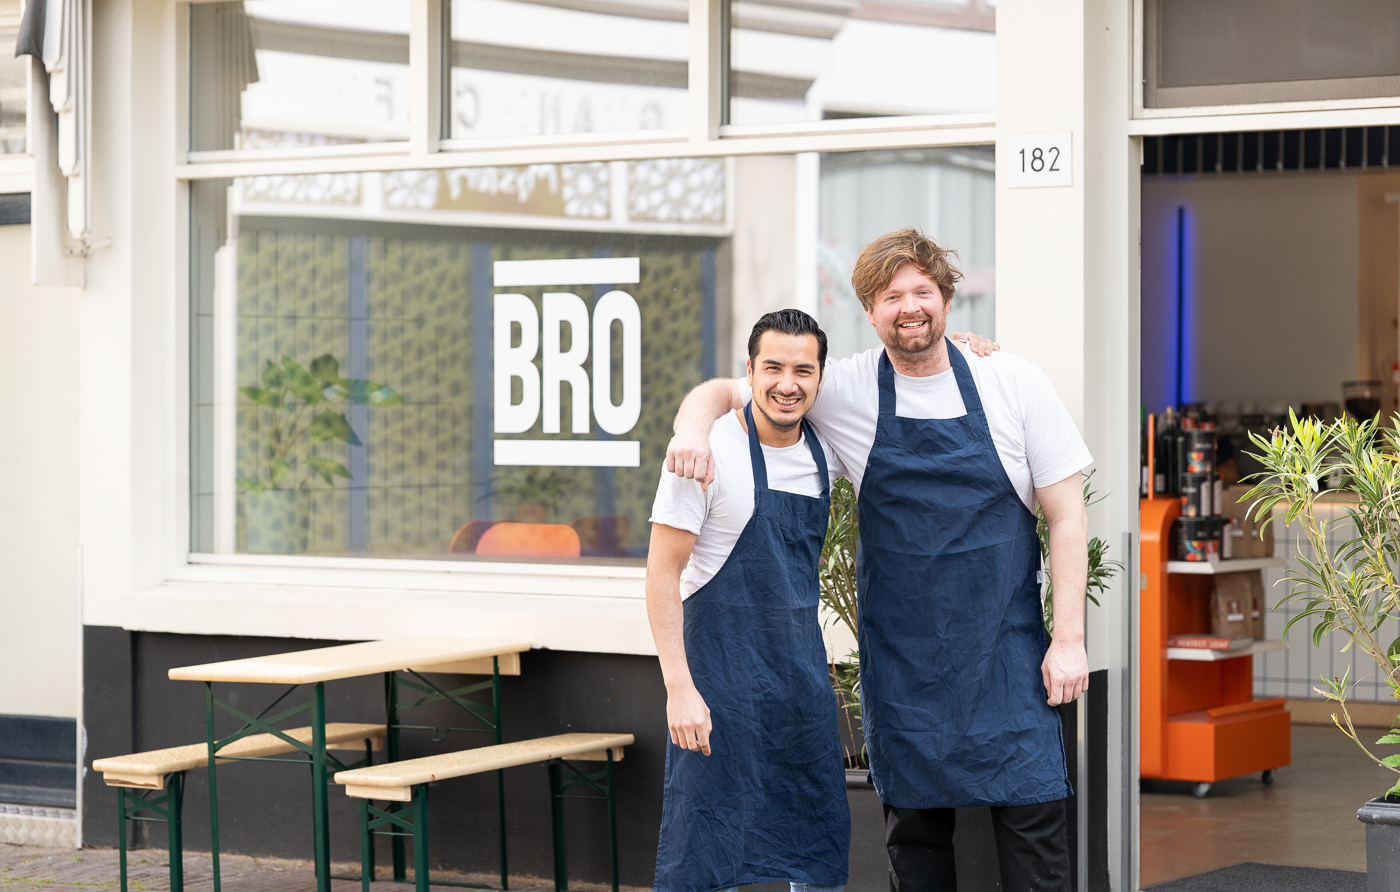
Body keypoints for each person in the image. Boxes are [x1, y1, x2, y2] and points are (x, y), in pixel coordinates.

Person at [665, 229, 1091, 892]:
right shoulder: (846, 388)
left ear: (948, 301)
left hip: (1009, 662)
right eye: (892, 296)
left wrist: (1069, 641)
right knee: (915, 854)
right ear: (870, 311)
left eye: (923, 291)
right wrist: (691, 432)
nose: (909, 306)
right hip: (906, 674)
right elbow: (733, 388)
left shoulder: (1012, 382)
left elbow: (1067, 516)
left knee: (1038, 850)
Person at [647, 309, 851, 892]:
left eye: (803, 370)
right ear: (750, 372)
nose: (788, 384)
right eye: (774, 368)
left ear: (819, 377)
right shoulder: (704, 453)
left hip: (800, 682)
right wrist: (678, 690)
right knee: (707, 846)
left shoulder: (825, 453)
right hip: (719, 681)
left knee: (816, 838)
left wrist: (960, 342)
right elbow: (662, 575)